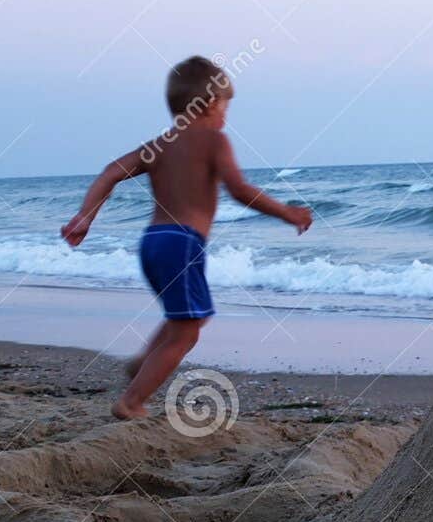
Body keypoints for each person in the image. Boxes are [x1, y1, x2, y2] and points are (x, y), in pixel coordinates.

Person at [60, 55, 312, 419]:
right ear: (209, 104)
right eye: (225, 106)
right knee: (187, 332)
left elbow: (111, 172)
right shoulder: (214, 140)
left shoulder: (159, 145)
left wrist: (85, 216)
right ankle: (131, 402)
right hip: (182, 244)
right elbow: (239, 190)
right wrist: (287, 212)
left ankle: (143, 363)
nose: (226, 116)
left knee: (184, 318)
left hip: (153, 243)